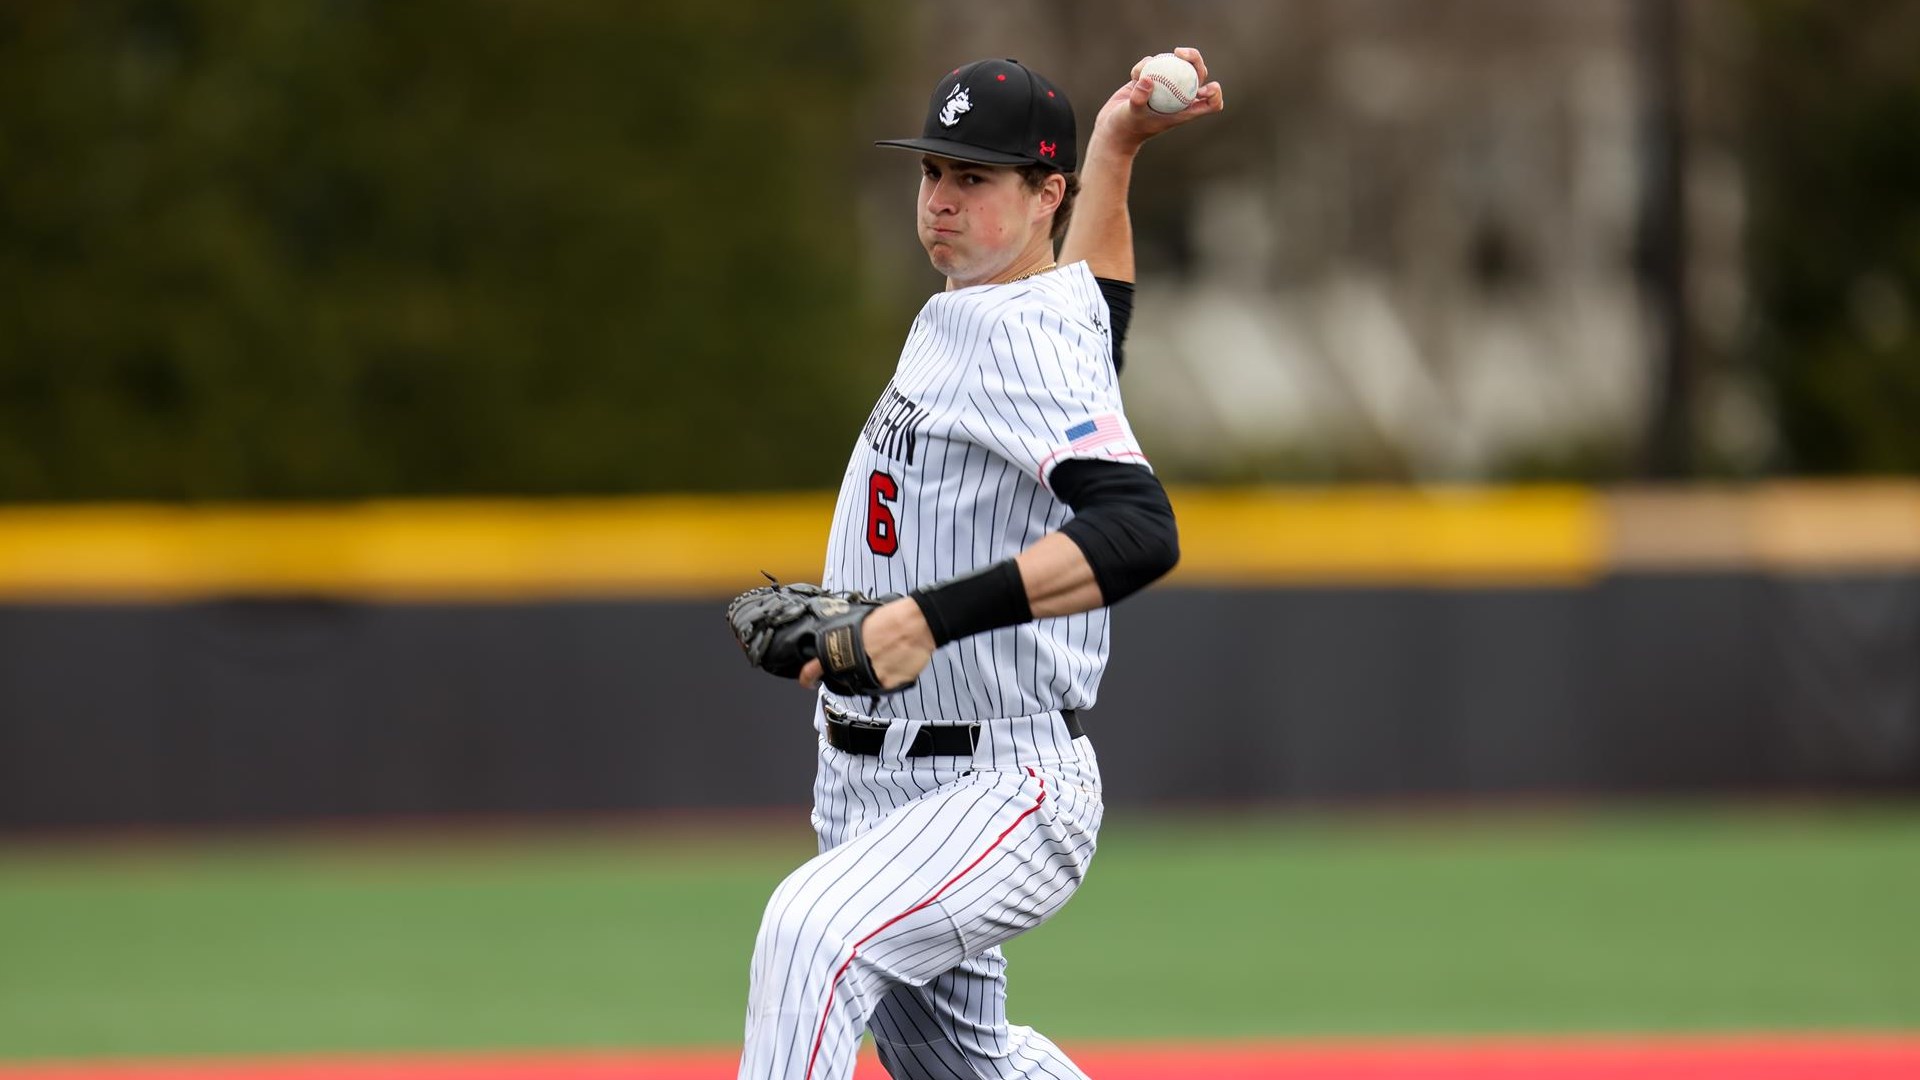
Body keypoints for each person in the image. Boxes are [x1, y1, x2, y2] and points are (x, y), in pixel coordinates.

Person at [736, 50, 1224, 1080]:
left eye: (974, 178)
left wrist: (919, 621)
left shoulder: (1018, 336)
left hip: (999, 781)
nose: (941, 200)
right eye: (932, 173)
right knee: (966, 1068)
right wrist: (1115, 148)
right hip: (877, 777)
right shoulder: (1016, 307)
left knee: (811, 933)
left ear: (1043, 197)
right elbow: (1102, 311)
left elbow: (1140, 527)